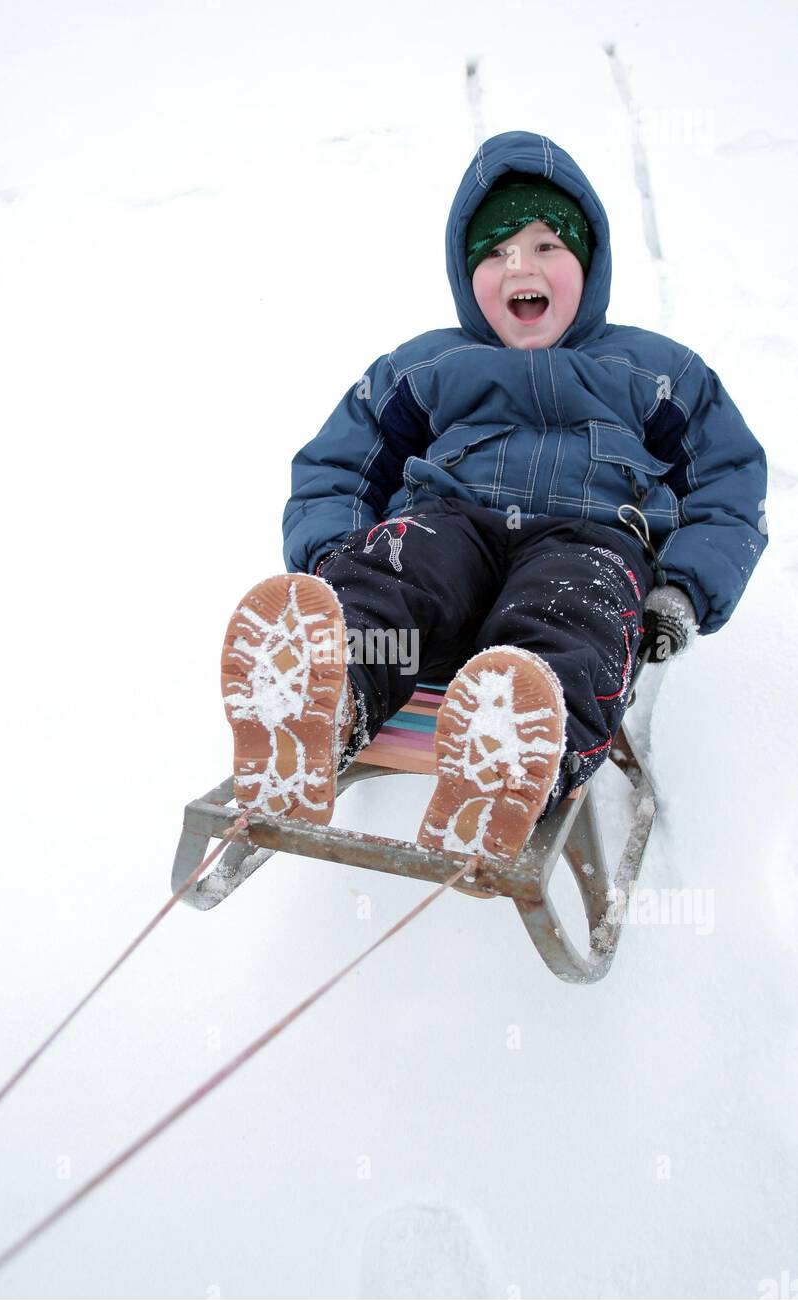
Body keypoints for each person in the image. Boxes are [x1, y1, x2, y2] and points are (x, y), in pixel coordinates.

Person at [220, 130, 767, 862]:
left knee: (571, 615)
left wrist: (687, 590)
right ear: (466, 274)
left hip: (590, 539)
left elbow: (728, 480)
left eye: (546, 246)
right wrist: (337, 555)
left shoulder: (656, 372)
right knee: (398, 570)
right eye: (498, 253)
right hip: (451, 528)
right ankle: (325, 700)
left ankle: (517, 761)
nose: (522, 267)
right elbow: (339, 465)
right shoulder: (430, 364)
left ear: (589, 261)